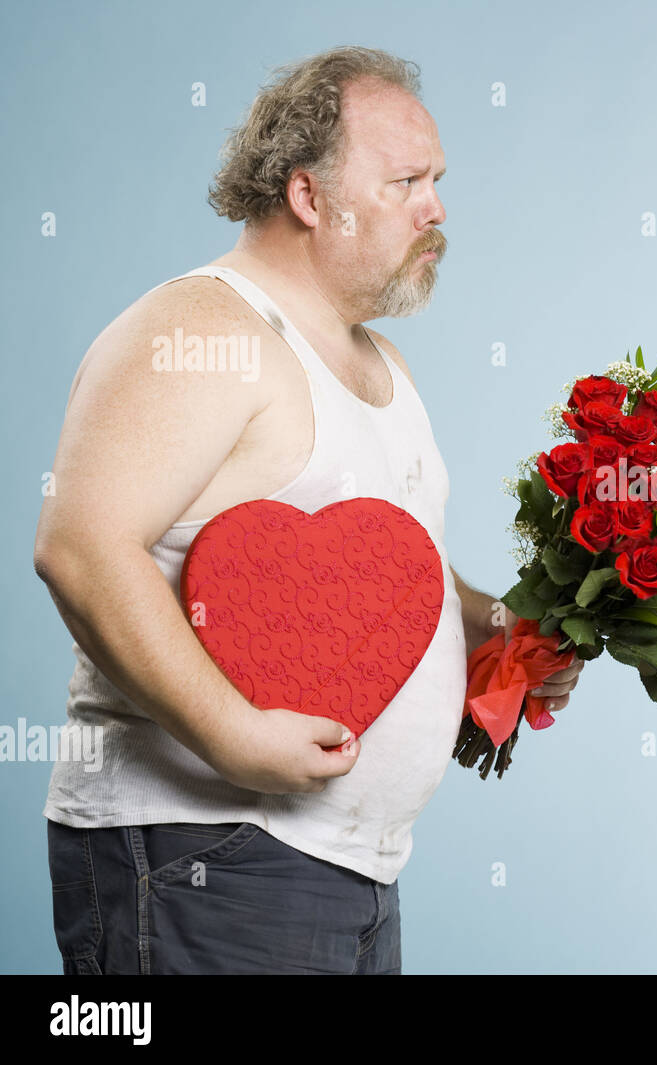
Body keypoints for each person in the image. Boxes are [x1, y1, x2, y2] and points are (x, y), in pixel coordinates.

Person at [33, 45, 584, 975]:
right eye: (407, 180)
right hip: (203, 856)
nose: (438, 207)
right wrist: (232, 734)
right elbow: (81, 548)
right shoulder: (203, 331)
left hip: (349, 874)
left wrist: (501, 625)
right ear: (308, 197)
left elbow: (392, 569)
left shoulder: (380, 364)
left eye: (438, 179)